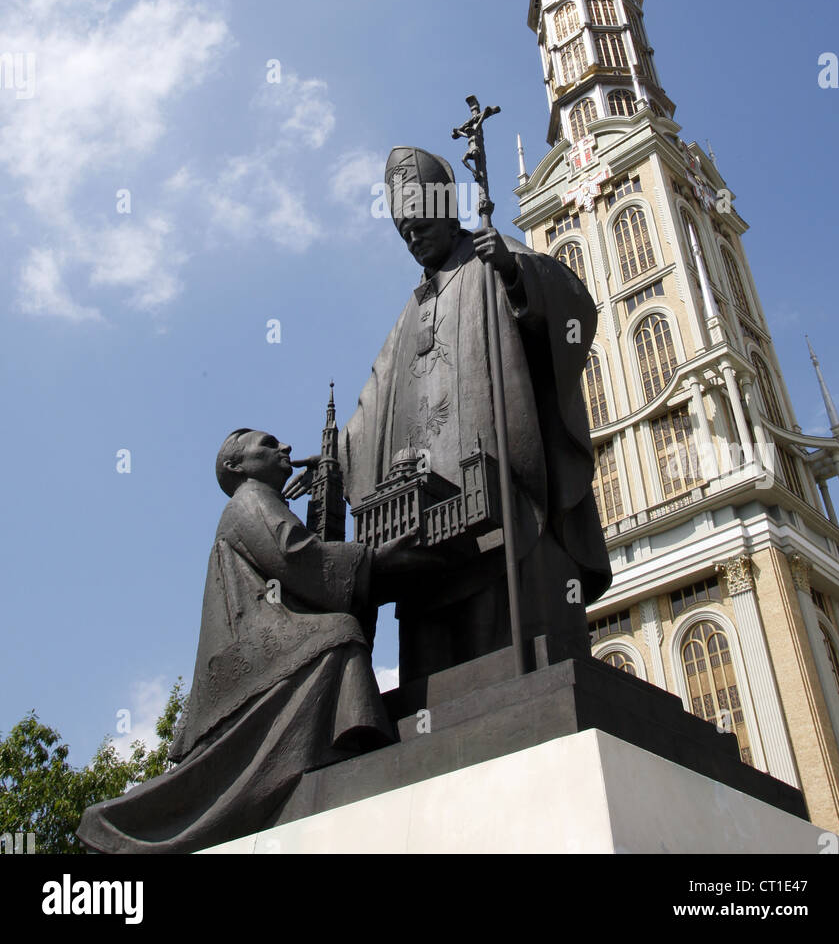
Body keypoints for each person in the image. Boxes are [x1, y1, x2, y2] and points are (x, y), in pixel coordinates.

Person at [77, 428, 426, 854]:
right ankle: (352, 739)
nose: (286, 449)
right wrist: (374, 559)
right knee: (338, 633)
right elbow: (295, 558)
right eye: (269, 444)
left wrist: (335, 474)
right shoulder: (249, 500)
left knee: (337, 629)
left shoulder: (264, 500)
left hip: (267, 629)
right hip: (254, 641)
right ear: (235, 466)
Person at [336, 146, 611, 685]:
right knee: (433, 662)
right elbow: (368, 409)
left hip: (504, 502)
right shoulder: (407, 315)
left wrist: (514, 274)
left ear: (446, 209)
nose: (413, 238)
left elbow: (575, 308)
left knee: (516, 627)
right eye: (403, 233)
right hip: (429, 529)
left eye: (420, 225)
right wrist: (334, 460)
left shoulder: (491, 258)